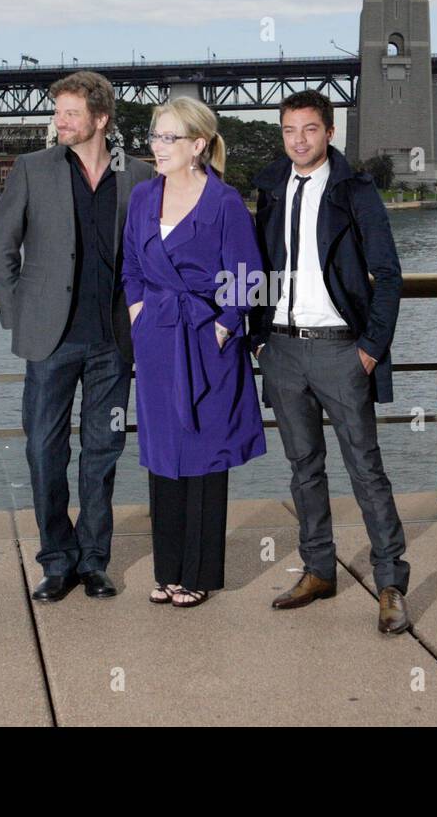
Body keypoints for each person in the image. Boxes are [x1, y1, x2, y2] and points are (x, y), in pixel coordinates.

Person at [0, 71, 152, 602]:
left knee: (104, 450)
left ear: (100, 119)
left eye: (70, 113)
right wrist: (20, 315)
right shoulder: (32, 169)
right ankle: (56, 561)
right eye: (58, 112)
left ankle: (94, 561)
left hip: (112, 343)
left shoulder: (139, 178)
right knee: (43, 451)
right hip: (50, 341)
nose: (59, 121)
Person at [249, 89, 411, 634]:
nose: (299, 140)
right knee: (303, 469)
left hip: (343, 348)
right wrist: (258, 339)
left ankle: (390, 585)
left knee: (366, 470)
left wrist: (370, 348)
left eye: (310, 130)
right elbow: (258, 267)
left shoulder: (355, 191)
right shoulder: (270, 187)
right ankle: (318, 569)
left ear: (330, 133)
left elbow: (388, 275)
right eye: (290, 130)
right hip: (283, 349)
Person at [122, 96, 266, 607]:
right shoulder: (142, 197)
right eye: (154, 137)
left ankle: (198, 573)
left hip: (207, 341)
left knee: (204, 453)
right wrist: (140, 318)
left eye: (167, 138)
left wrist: (224, 330)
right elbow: (131, 270)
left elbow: (247, 277)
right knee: (163, 454)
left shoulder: (223, 202)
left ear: (198, 145)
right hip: (158, 340)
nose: (155, 147)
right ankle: (167, 571)